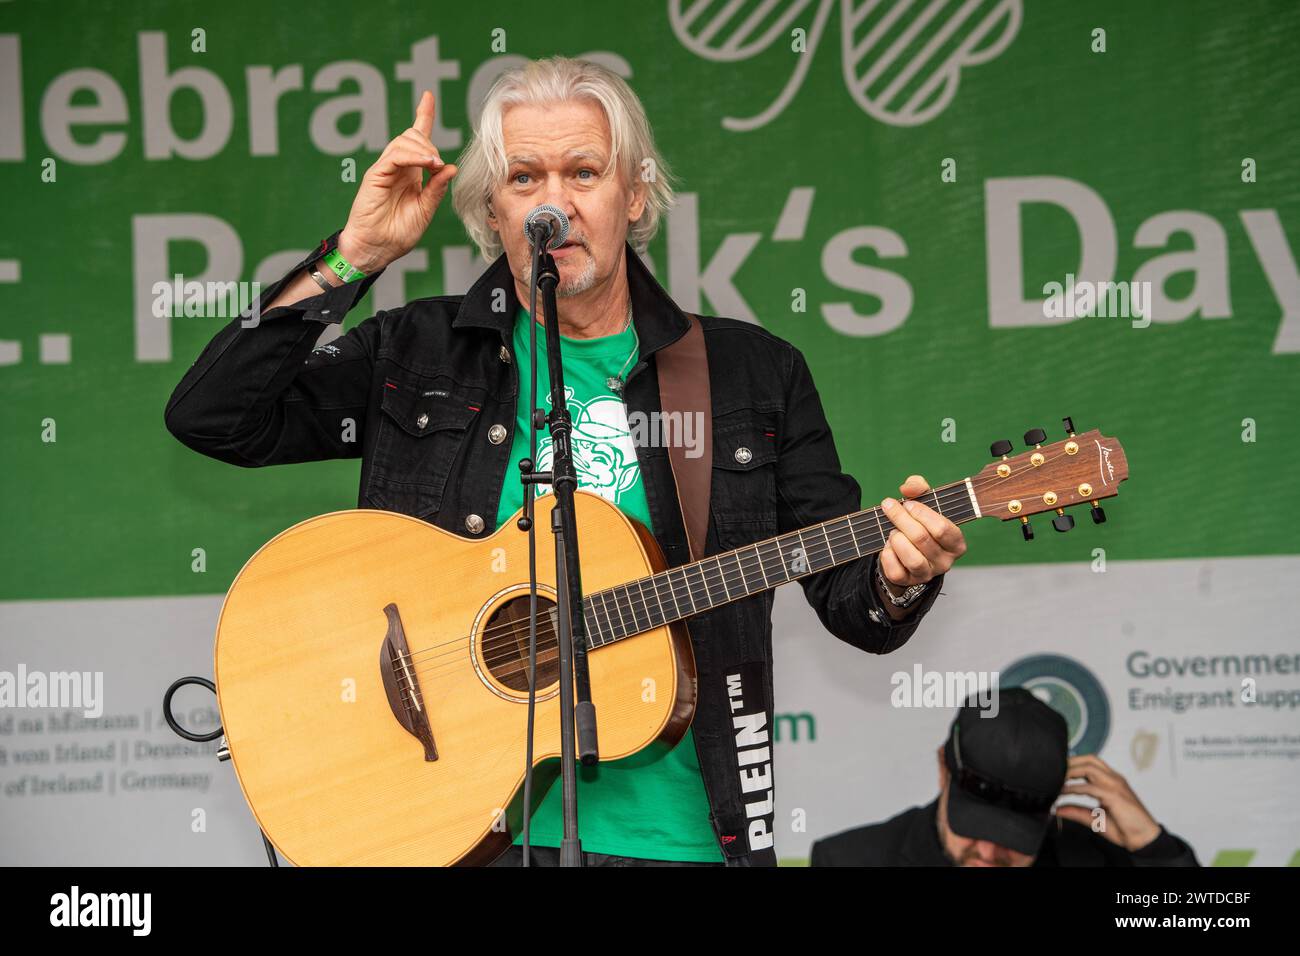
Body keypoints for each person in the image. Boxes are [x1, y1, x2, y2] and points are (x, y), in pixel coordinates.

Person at [165, 56, 967, 866]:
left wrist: (898, 577)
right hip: (457, 833)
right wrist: (355, 256)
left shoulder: (752, 375)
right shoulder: (417, 352)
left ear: (635, 195)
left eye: (585, 171)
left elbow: (846, 598)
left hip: (678, 839)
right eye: (524, 177)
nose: (556, 201)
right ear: (491, 208)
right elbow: (214, 417)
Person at [810, 688, 1199, 866]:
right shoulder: (849, 860)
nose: (987, 854)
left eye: (1013, 838)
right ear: (944, 769)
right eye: (975, 826)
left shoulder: (1089, 857)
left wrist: (1155, 850)